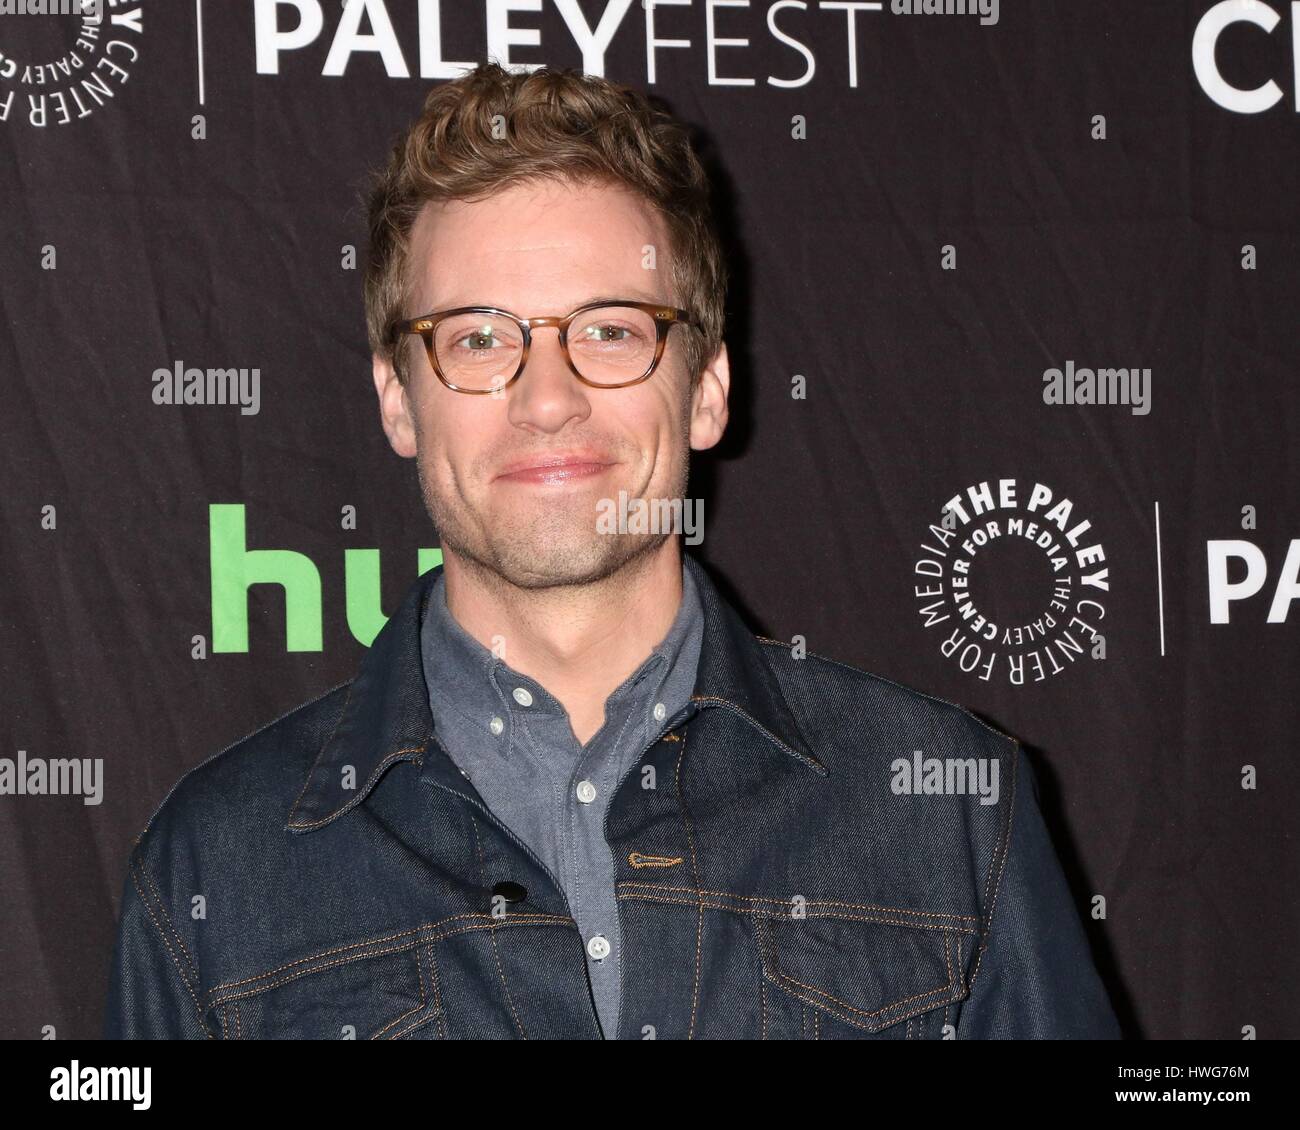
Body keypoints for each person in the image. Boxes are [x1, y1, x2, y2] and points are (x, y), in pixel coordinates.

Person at [103, 62, 1119, 1040]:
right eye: (478, 337)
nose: (548, 397)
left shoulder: (947, 808)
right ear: (396, 399)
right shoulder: (212, 865)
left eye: (612, 329)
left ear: (708, 386)